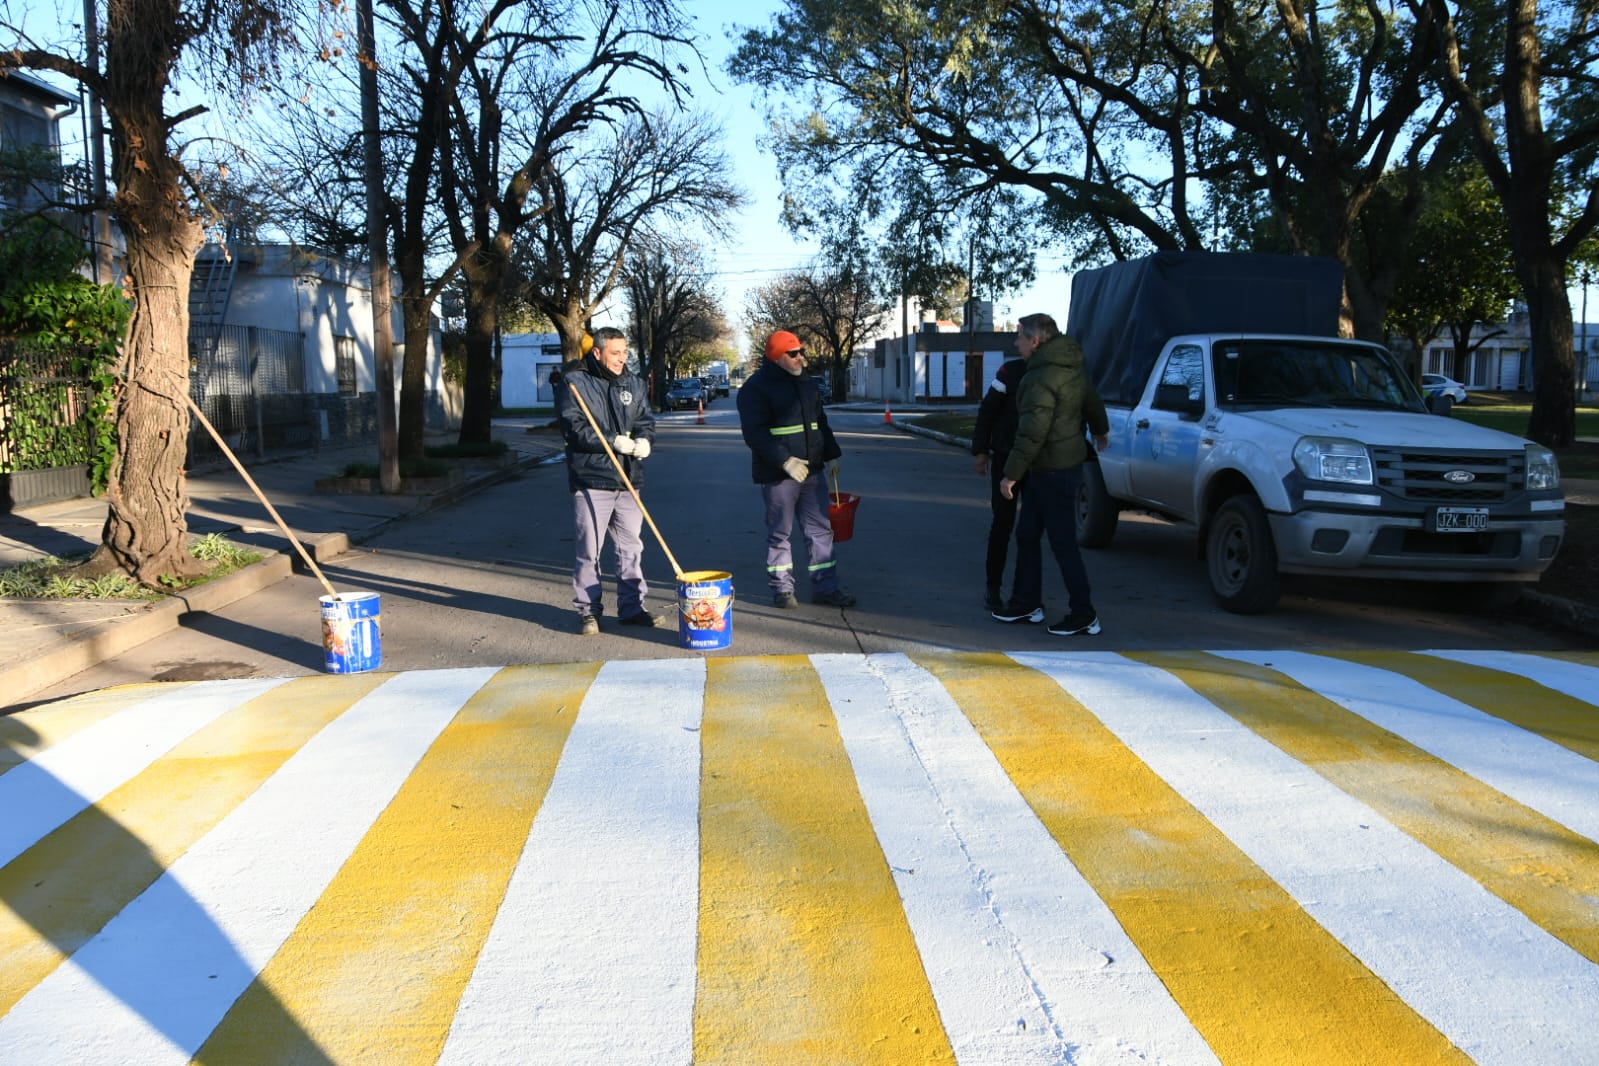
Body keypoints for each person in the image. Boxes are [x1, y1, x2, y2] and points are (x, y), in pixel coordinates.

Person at [992, 312, 1110, 636]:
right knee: (1027, 535)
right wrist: (1101, 432)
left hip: (1052, 470)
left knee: (1062, 543)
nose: (1016, 342)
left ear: (1036, 340)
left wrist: (1010, 474)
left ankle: (1084, 613)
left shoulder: (1040, 378)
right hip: (1059, 466)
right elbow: (1092, 402)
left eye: (1019, 337)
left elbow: (1032, 432)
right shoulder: (1071, 367)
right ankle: (1026, 602)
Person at [557, 326, 668, 635]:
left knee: (631, 548)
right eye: (615, 354)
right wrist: (612, 440)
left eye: (624, 353)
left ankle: (632, 608)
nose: (622, 359)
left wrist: (644, 440)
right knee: (589, 551)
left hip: (629, 479)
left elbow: (645, 420)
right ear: (597, 352)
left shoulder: (633, 383)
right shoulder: (575, 383)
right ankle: (588, 612)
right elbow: (574, 427)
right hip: (592, 477)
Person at [737, 329, 856, 609]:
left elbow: (820, 422)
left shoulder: (807, 384)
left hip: (812, 472)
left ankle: (826, 588)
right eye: (794, 353)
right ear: (777, 357)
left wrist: (832, 454)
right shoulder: (756, 389)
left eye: (801, 352)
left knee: (820, 531)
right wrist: (785, 461)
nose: (801, 357)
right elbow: (756, 434)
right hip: (780, 475)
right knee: (780, 533)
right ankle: (782, 589)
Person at [971, 342, 1030, 611]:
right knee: (1003, 525)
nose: (1017, 343)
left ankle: (1027, 594)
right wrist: (981, 450)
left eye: (1021, 337)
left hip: (1039, 462)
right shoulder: (1010, 370)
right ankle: (993, 588)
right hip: (1006, 457)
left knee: (1031, 529)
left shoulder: (1056, 372)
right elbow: (988, 410)